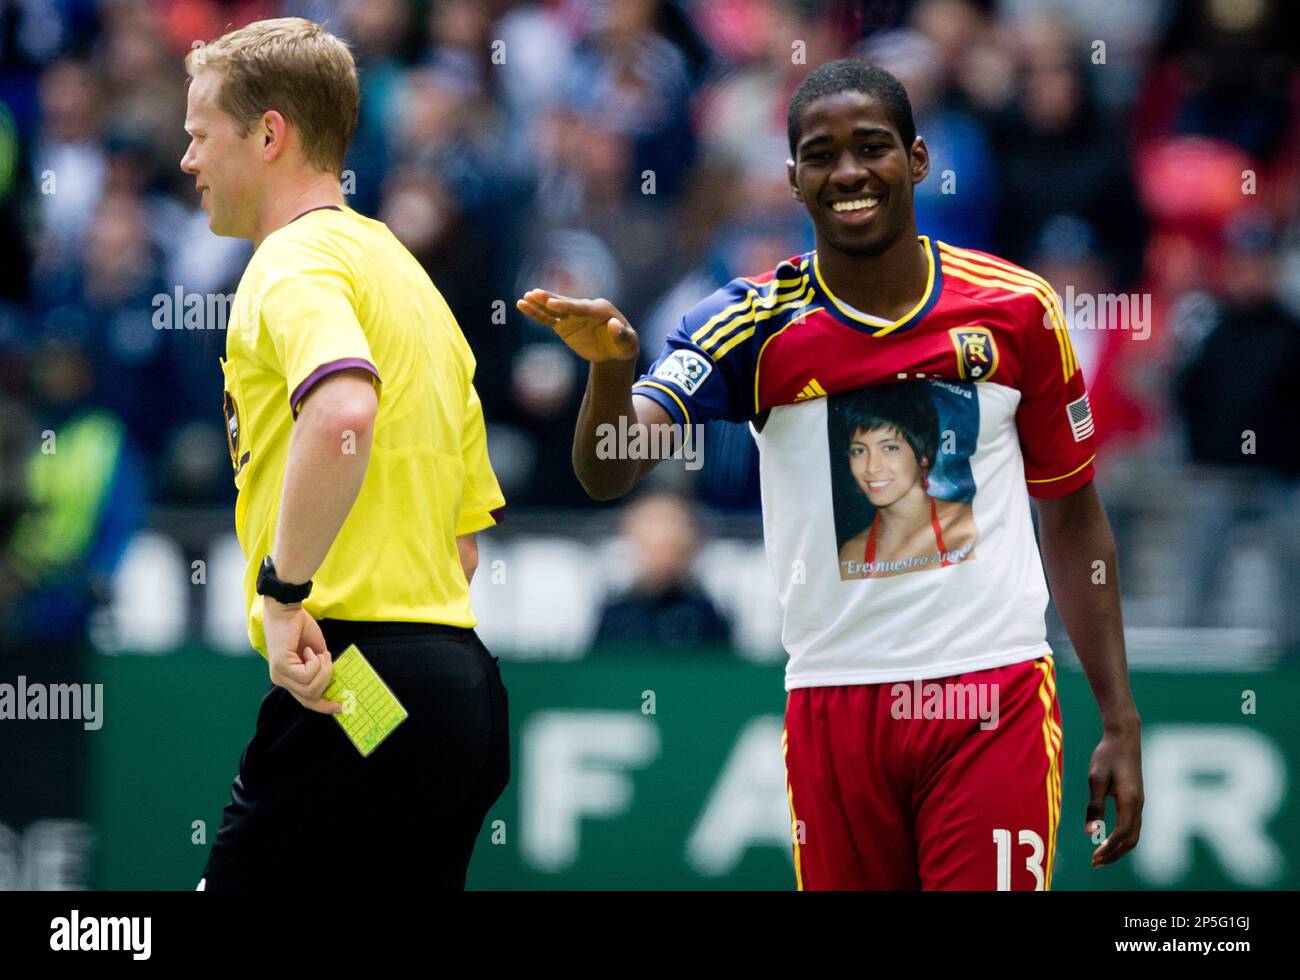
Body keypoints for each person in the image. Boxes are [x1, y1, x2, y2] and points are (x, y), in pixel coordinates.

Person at [518, 58, 1143, 890]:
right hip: (834, 700)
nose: (848, 172)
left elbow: (1072, 513)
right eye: (821, 154)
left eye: (871, 147)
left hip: (990, 693)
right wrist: (608, 372)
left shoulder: (1017, 308)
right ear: (792, 178)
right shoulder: (750, 324)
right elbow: (609, 471)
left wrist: (1120, 717)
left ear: (917, 160)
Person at [181, 18, 508, 891]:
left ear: (268, 133)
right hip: (456, 692)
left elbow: (340, 412)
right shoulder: (409, 280)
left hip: (349, 673)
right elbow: (463, 548)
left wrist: (283, 596)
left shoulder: (291, 264)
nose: (187, 161)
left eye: (199, 135)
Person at [834, 385, 976, 579]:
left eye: (890, 448)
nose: (871, 467)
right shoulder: (852, 555)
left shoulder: (969, 526)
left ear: (924, 455)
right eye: (859, 451)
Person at [592, 492, 733, 654]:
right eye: (650, 547)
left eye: (670, 547)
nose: (659, 557)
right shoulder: (616, 615)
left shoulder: (704, 614)